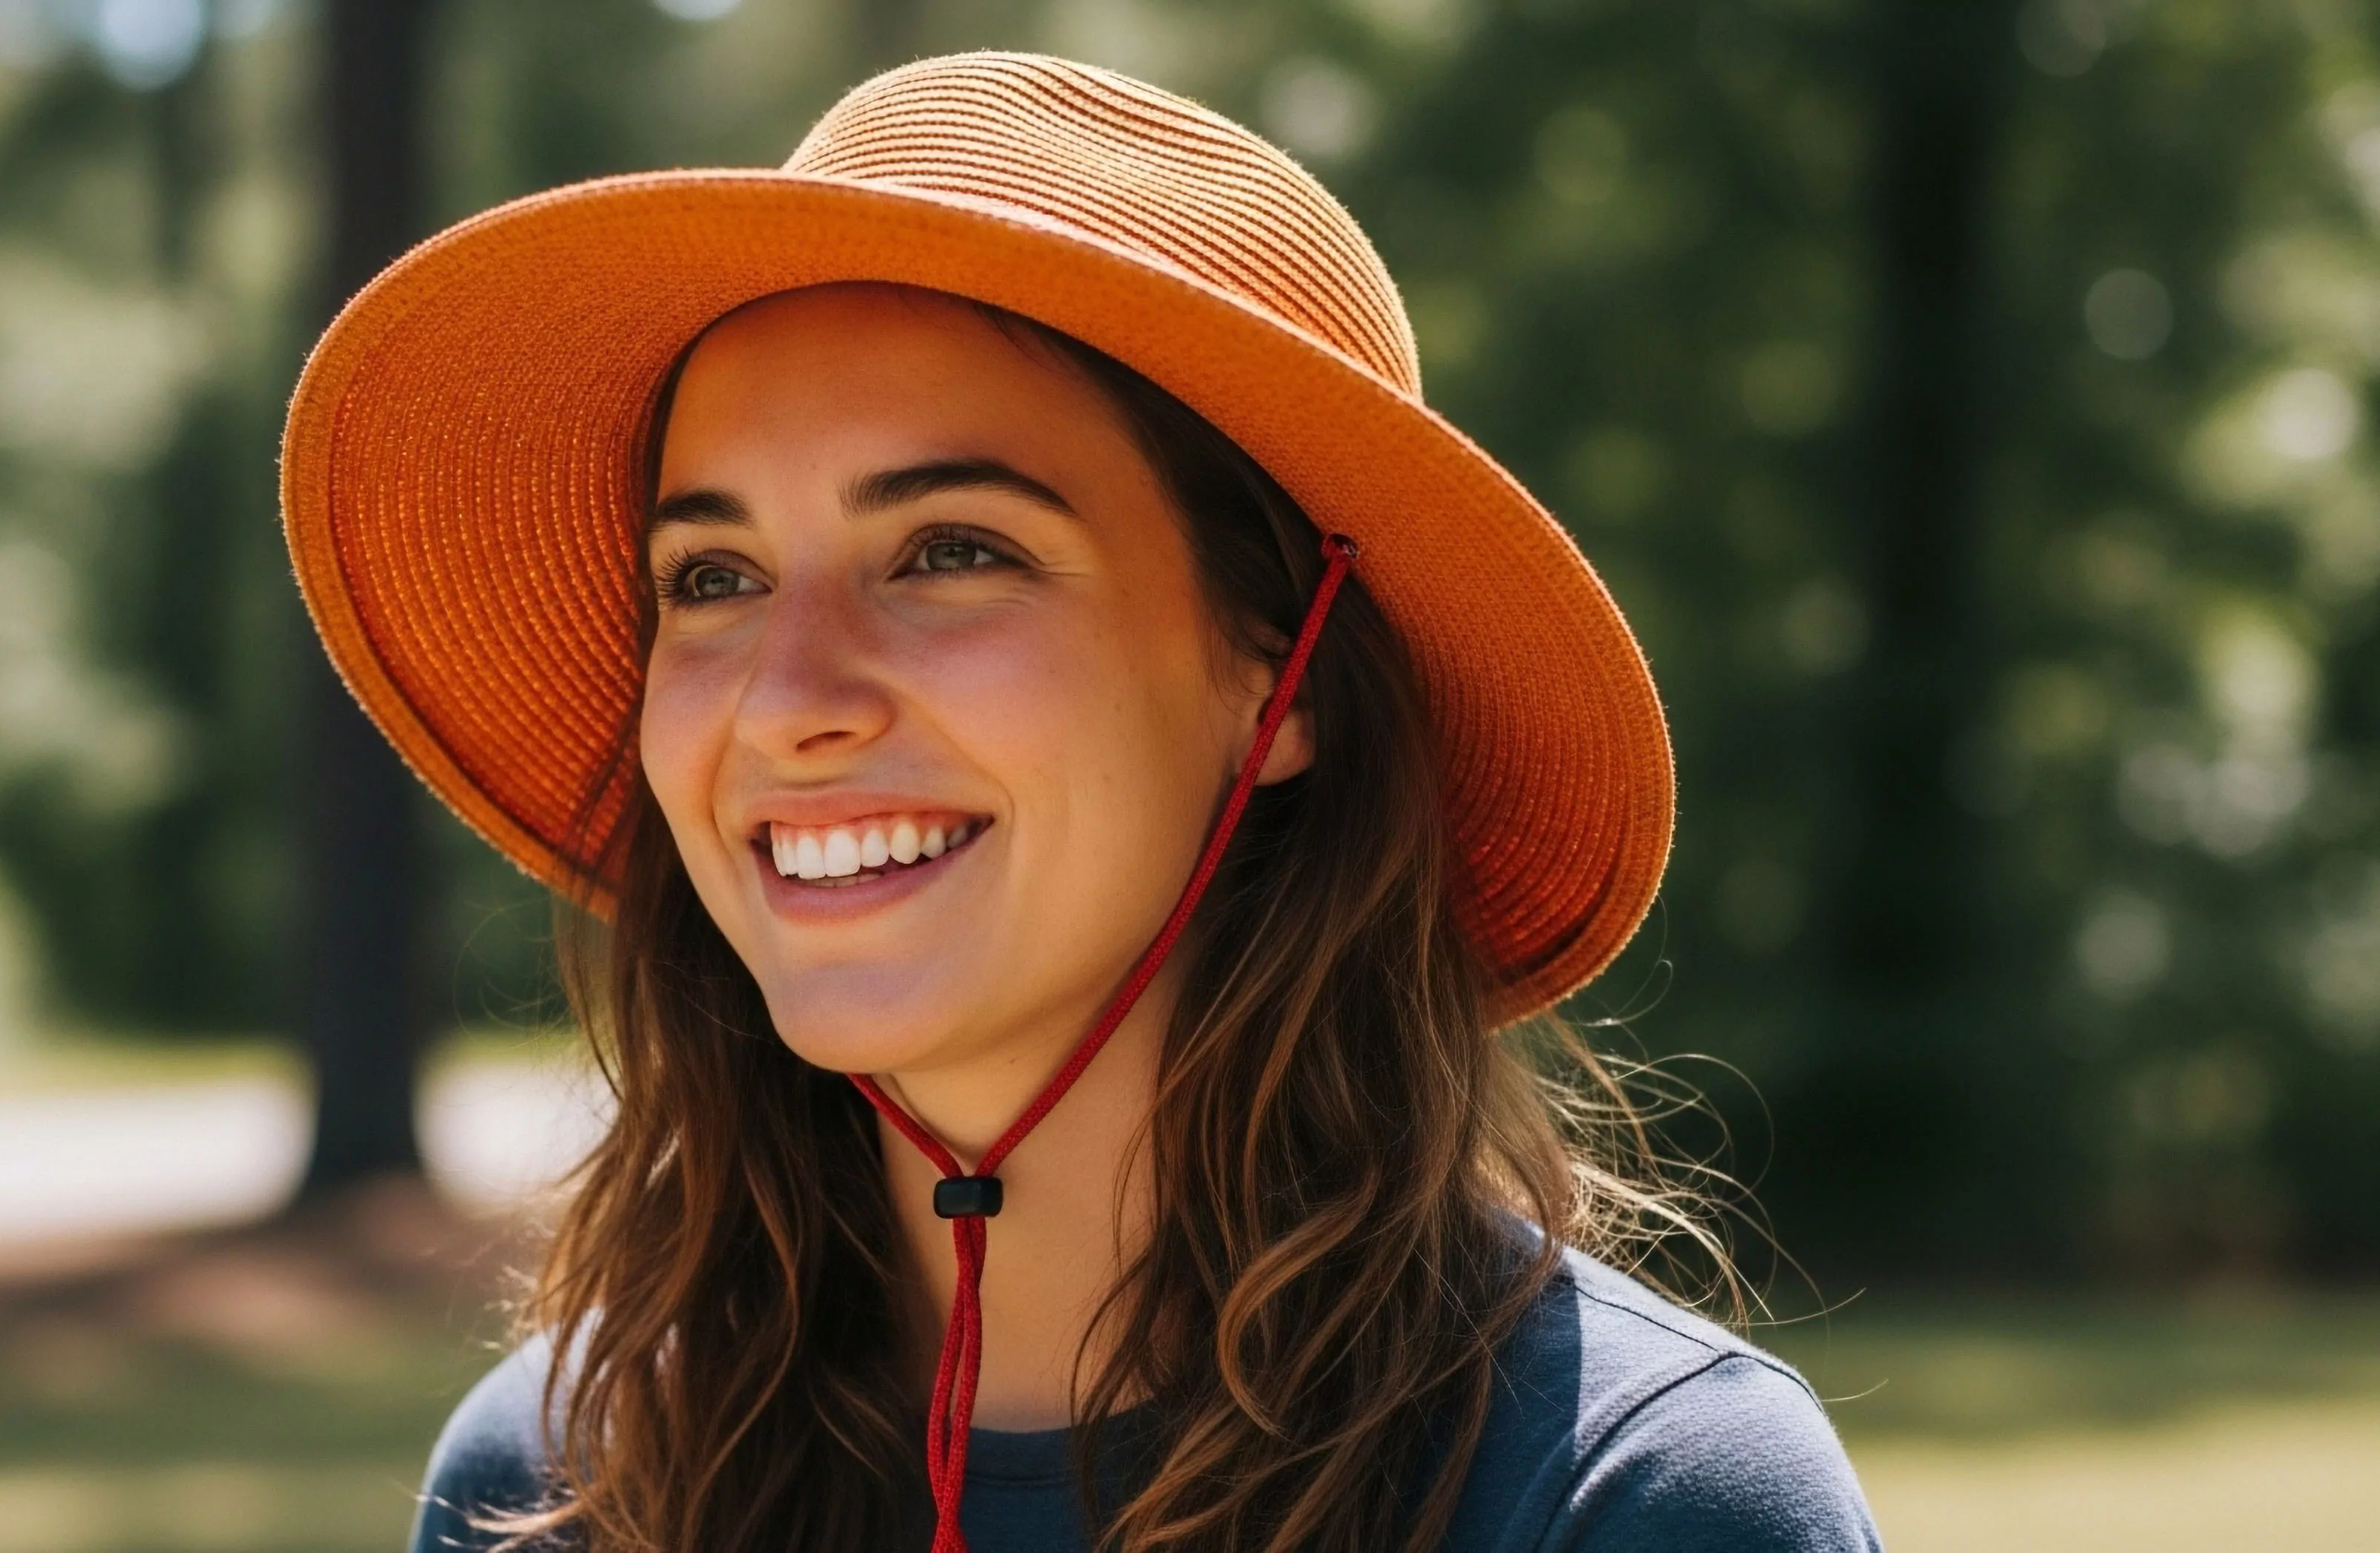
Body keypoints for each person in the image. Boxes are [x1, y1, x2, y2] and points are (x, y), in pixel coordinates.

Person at [283, 51, 1882, 1553]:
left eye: (951, 551)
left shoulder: (1625, 1500)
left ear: (1286, 681)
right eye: (711, 576)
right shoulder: (563, 1485)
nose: (785, 697)